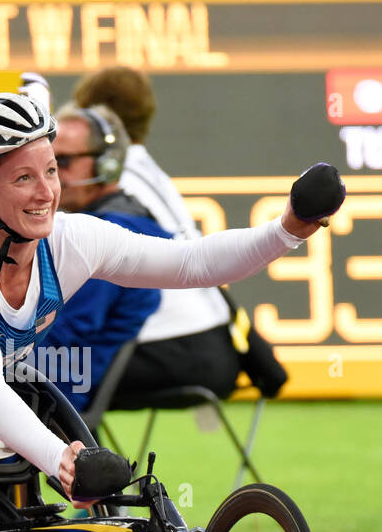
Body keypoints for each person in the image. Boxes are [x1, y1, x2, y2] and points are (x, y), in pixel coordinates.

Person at [0, 92, 342, 496]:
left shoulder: (72, 240)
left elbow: (193, 263)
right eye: (24, 178)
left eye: (52, 171)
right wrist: (60, 461)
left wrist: (289, 227)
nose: (46, 193)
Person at [72, 66, 285, 399]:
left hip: (166, 348)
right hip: (216, 345)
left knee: (50, 373)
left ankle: (68, 451)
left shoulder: (110, 182)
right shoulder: (148, 173)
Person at [39, 102, 165, 411]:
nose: (49, 177)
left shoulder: (112, 235)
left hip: (46, 396)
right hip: (40, 383)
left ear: (107, 166)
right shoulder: (117, 226)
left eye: (62, 162)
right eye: (46, 163)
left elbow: (61, 337)